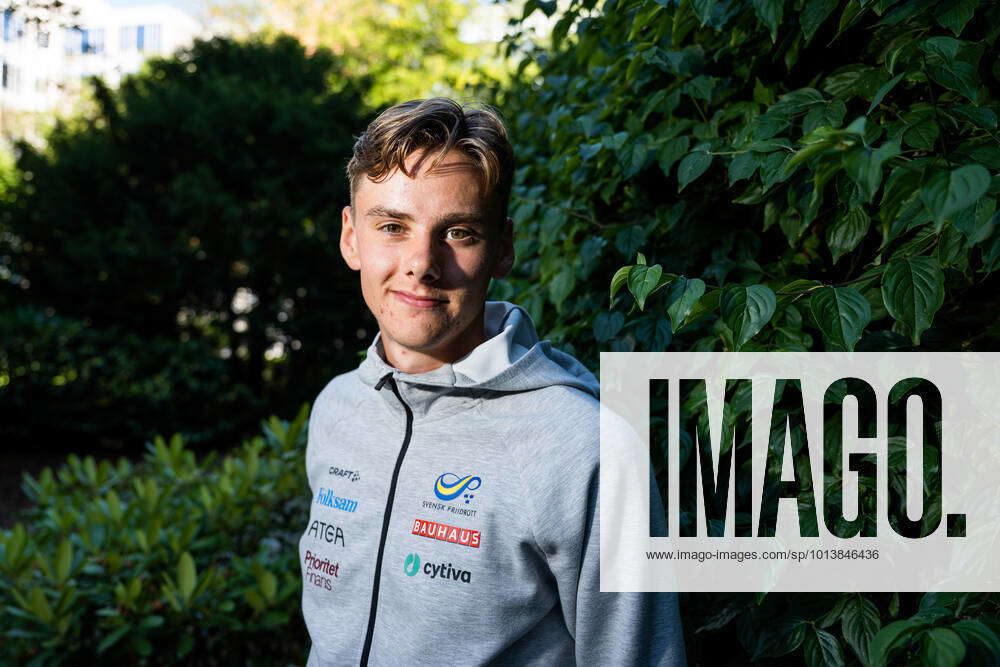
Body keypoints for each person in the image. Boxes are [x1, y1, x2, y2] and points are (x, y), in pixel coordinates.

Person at [298, 97, 685, 665]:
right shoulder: (337, 409)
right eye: (392, 226)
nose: (421, 263)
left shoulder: (585, 446)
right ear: (351, 236)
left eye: (458, 232)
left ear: (502, 247)